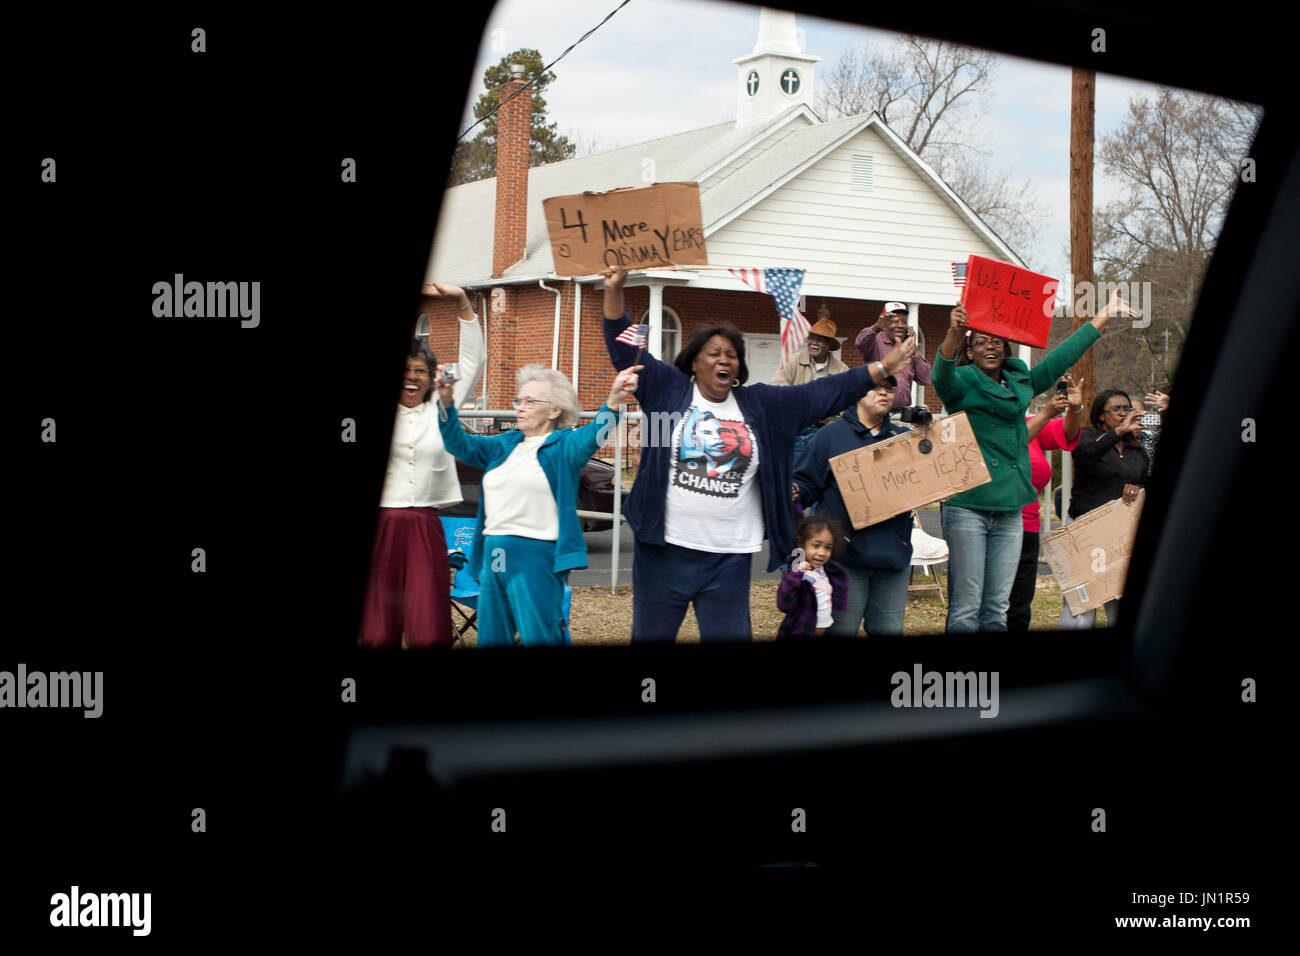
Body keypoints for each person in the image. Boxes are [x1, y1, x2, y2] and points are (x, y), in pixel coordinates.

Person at [601, 265, 917, 643]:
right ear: (694, 362)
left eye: (731, 355)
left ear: (738, 367)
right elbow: (624, 350)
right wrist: (614, 291)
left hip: (729, 559)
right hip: (663, 552)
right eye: (713, 353)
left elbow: (822, 393)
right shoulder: (667, 389)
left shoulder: (762, 405)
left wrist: (882, 367)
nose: (723, 359)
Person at [931, 292, 1131, 632]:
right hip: (969, 504)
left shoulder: (1020, 378)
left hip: (1011, 507)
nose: (990, 347)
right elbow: (941, 376)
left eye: (996, 342)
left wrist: (1103, 315)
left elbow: (1060, 358)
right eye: (981, 342)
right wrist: (954, 331)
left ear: (1006, 348)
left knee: (997, 606)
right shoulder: (962, 382)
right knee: (966, 607)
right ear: (970, 351)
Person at [436, 363, 641, 646]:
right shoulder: (504, 443)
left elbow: (596, 432)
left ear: (555, 410)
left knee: (540, 636)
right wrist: (445, 402)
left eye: (530, 401)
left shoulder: (565, 446)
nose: (520, 407)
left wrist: (615, 400)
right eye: (519, 400)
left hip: (536, 555)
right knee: (492, 637)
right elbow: (458, 443)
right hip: (494, 554)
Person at [359, 282, 484, 649]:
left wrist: (462, 302)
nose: (412, 376)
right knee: (378, 624)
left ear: (431, 379)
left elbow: (473, 362)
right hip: (382, 523)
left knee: (428, 624)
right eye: (406, 369)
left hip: (425, 523)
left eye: (420, 371)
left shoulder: (441, 410)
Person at [791, 376, 916, 636]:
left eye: (890, 388)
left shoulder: (902, 438)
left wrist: (935, 438)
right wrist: (794, 492)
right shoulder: (831, 435)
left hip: (893, 558)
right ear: (858, 392)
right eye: (876, 387)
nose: (884, 393)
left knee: (889, 630)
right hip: (845, 559)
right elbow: (806, 484)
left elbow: (927, 480)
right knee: (841, 630)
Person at [1057, 389, 1148, 630]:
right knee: (1082, 603)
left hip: (1120, 533)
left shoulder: (1135, 448)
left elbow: (1143, 479)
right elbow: (1085, 455)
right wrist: (1118, 432)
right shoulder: (1087, 436)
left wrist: (1137, 488)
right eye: (1116, 409)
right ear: (1100, 416)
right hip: (1084, 529)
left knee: (1118, 601)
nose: (1123, 413)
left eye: (1127, 408)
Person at [1006, 375, 1083, 632]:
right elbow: (1011, 446)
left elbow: (1066, 431)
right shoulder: (982, 429)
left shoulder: (1033, 425)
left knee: (1019, 607)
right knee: (990, 605)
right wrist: (1048, 411)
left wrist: (1075, 407)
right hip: (991, 525)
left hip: (1027, 527)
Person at [769, 317, 850, 467]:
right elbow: (776, 388)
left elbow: (850, 405)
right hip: (796, 429)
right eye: (811, 338)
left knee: (817, 475)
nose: (813, 343)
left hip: (824, 433)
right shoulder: (794, 359)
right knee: (793, 475)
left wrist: (832, 415)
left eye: (820, 340)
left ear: (829, 345)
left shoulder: (842, 370)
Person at [776, 513, 848, 638]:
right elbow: (783, 603)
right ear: (800, 543)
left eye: (828, 548)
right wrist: (795, 575)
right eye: (816, 545)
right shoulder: (798, 573)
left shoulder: (827, 569)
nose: (822, 553)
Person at [855, 301, 932, 410]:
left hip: (900, 415)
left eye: (904, 321)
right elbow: (860, 342)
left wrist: (913, 349)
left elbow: (926, 379)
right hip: (875, 412)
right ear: (884, 323)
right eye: (895, 321)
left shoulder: (907, 347)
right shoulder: (875, 340)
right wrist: (877, 327)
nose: (900, 325)